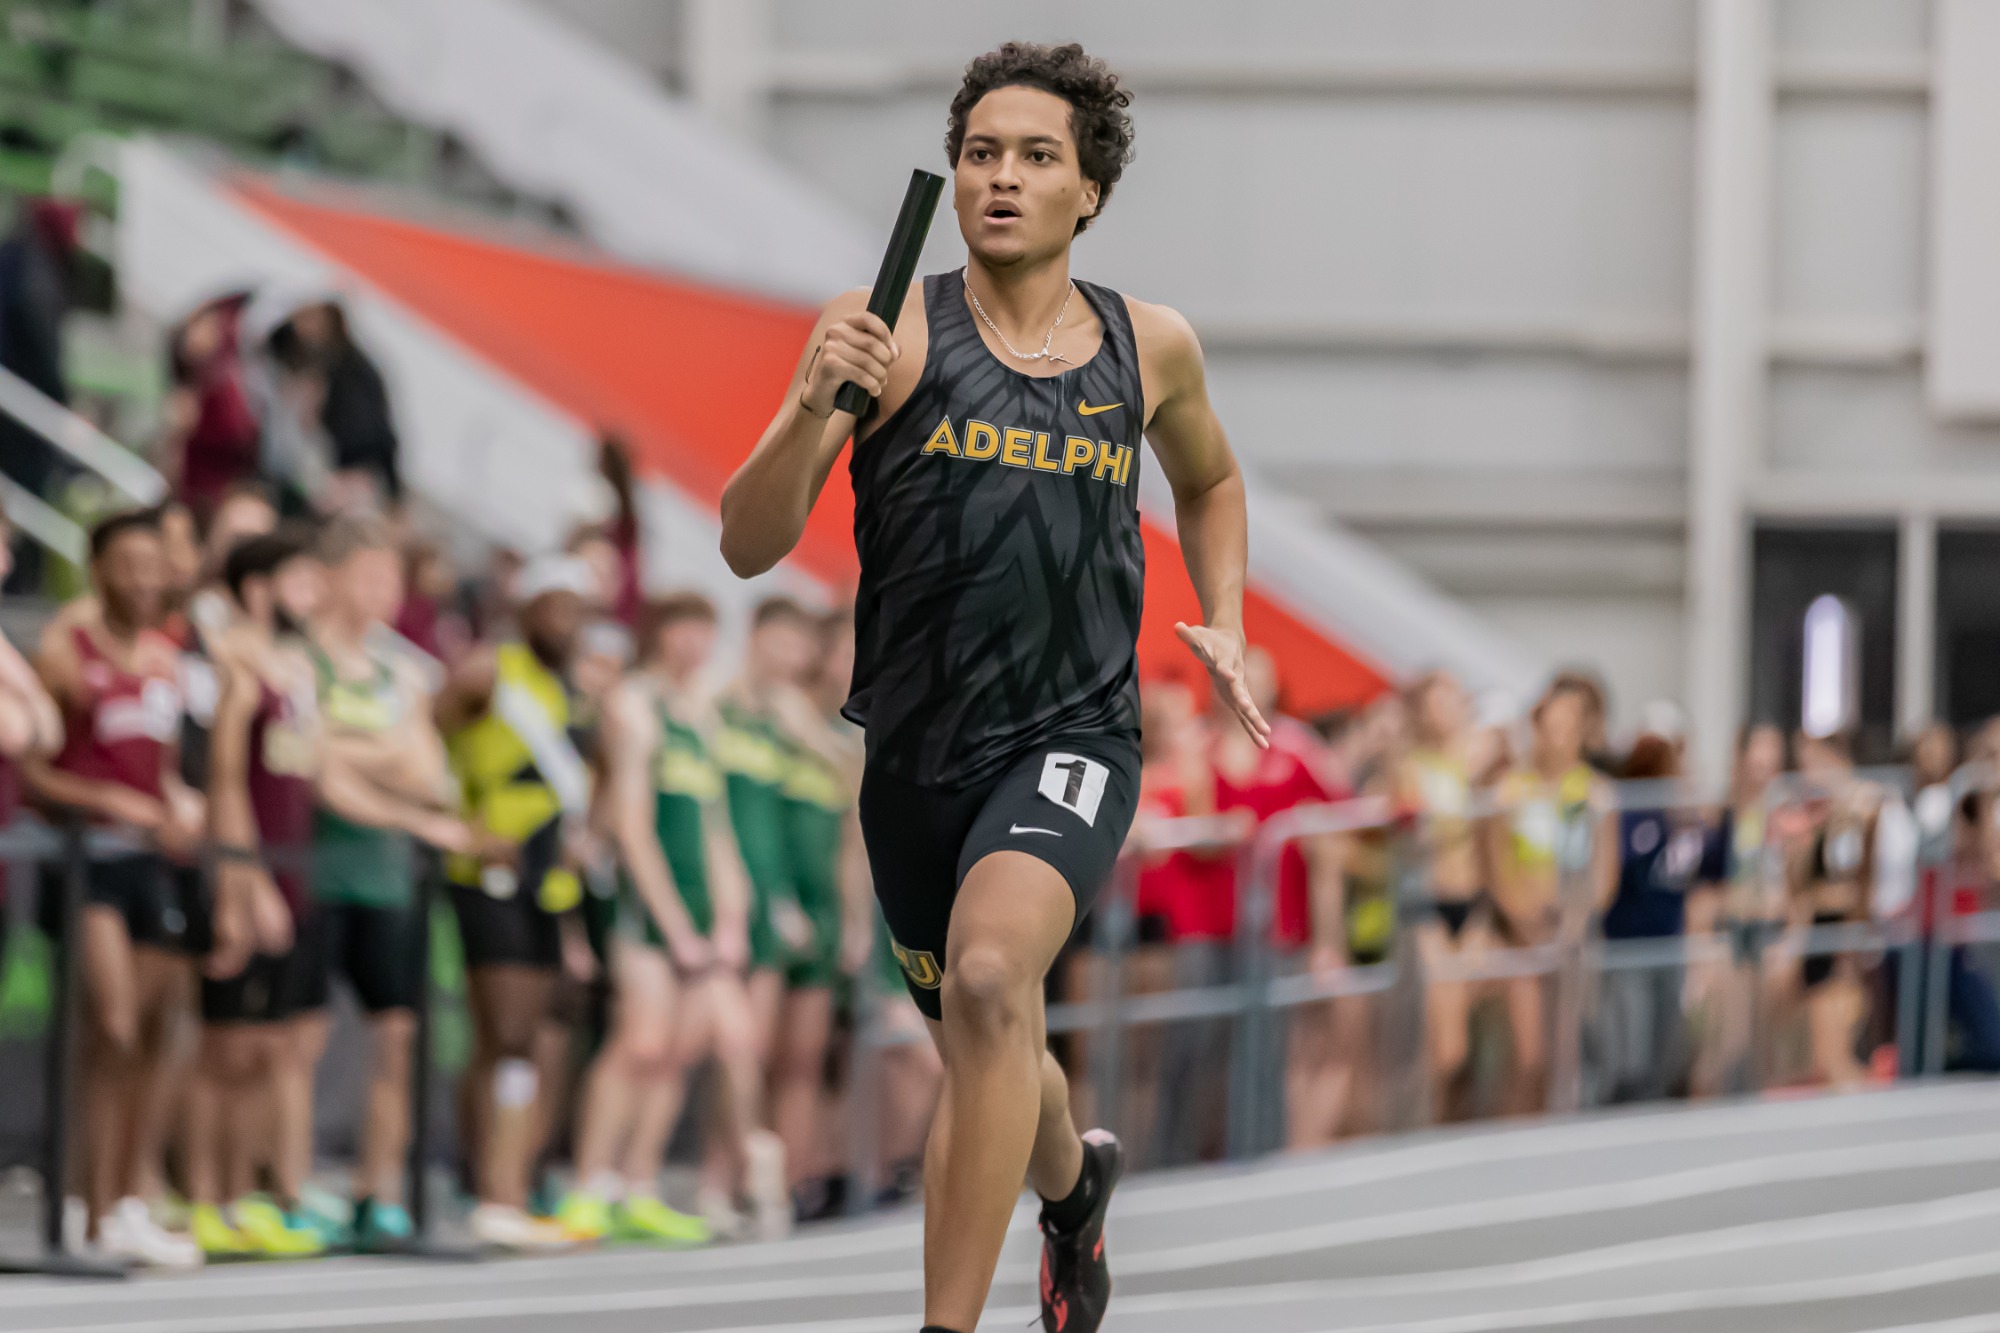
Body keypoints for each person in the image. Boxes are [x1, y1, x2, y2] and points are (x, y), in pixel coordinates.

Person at [719, 41, 1268, 1333]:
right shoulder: (886, 327)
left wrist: (1227, 614)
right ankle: (1073, 1189)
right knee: (987, 1029)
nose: (1001, 178)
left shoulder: (1150, 345)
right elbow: (748, 543)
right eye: (979, 154)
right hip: (914, 757)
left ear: (1090, 192)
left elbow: (1210, 479)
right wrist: (810, 407)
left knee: (985, 980)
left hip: (1072, 734)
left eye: (1034, 156)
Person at [560, 593, 780, 1243]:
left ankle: (641, 1182)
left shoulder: (700, 715)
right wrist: (676, 925)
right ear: (660, 635)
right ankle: (589, 1184)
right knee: (640, 1042)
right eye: (683, 631)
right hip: (645, 902)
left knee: (680, 1052)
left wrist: (731, 913)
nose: (694, 645)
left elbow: (715, 824)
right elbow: (631, 828)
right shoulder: (636, 705)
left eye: (704, 633)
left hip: (699, 903)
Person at [24, 509, 204, 1267]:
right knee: (112, 1027)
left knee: (153, 1036)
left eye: (152, 565)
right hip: (86, 861)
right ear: (97, 570)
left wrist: (179, 801)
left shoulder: (165, 659)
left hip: (150, 863)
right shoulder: (65, 649)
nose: (141, 580)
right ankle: (83, 1207)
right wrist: (105, 801)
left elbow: (162, 767)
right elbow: (31, 770)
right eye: (126, 565)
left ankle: (126, 1201)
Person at [302, 516, 478, 1249]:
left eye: (391, 580)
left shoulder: (402, 670)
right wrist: (384, 762)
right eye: (369, 576)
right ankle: (287, 1183)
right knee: (296, 1042)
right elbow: (312, 768)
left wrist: (354, 753)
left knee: (396, 1040)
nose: (382, 592)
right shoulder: (301, 660)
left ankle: (378, 1190)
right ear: (331, 575)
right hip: (311, 870)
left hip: (388, 878)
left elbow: (428, 770)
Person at [436, 553, 595, 1250]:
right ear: (526, 609)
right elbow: (427, 737)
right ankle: (491, 1186)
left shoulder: (569, 688)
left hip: (548, 883)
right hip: (486, 874)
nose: (566, 623)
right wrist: (458, 824)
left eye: (576, 611)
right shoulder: (488, 671)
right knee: (505, 1033)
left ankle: (510, 1180)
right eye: (554, 608)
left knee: (532, 1038)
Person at [183, 530, 331, 1257]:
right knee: (226, 1047)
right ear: (257, 588)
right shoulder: (234, 664)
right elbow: (226, 782)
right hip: (252, 872)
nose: (313, 595)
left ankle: (241, 1196)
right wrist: (247, 884)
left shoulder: (296, 667)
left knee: (268, 1045)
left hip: (297, 868)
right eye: (299, 580)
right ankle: (203, 1195)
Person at [1482, 678, 1618, 1115]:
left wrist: (1574, 920)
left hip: (1570, 937)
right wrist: (1524, 922)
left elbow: (1604, 876)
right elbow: (1497, 867)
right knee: (1528, 1058)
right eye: (1550, 727)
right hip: (1521, 938)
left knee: (1565, 1055)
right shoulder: (1511, 789)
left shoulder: (1595, 792)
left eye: (1567, 728)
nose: (1557, 738)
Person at [1393, 670, 1496, 1123]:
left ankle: (1461, 1121)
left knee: (1479, 1037)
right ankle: (1428, 1125)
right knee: (1446, 1047)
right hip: (1430, 905)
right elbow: (1413, 839)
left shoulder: (1478, 756)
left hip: (1473, 902)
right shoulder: (1411, 766)